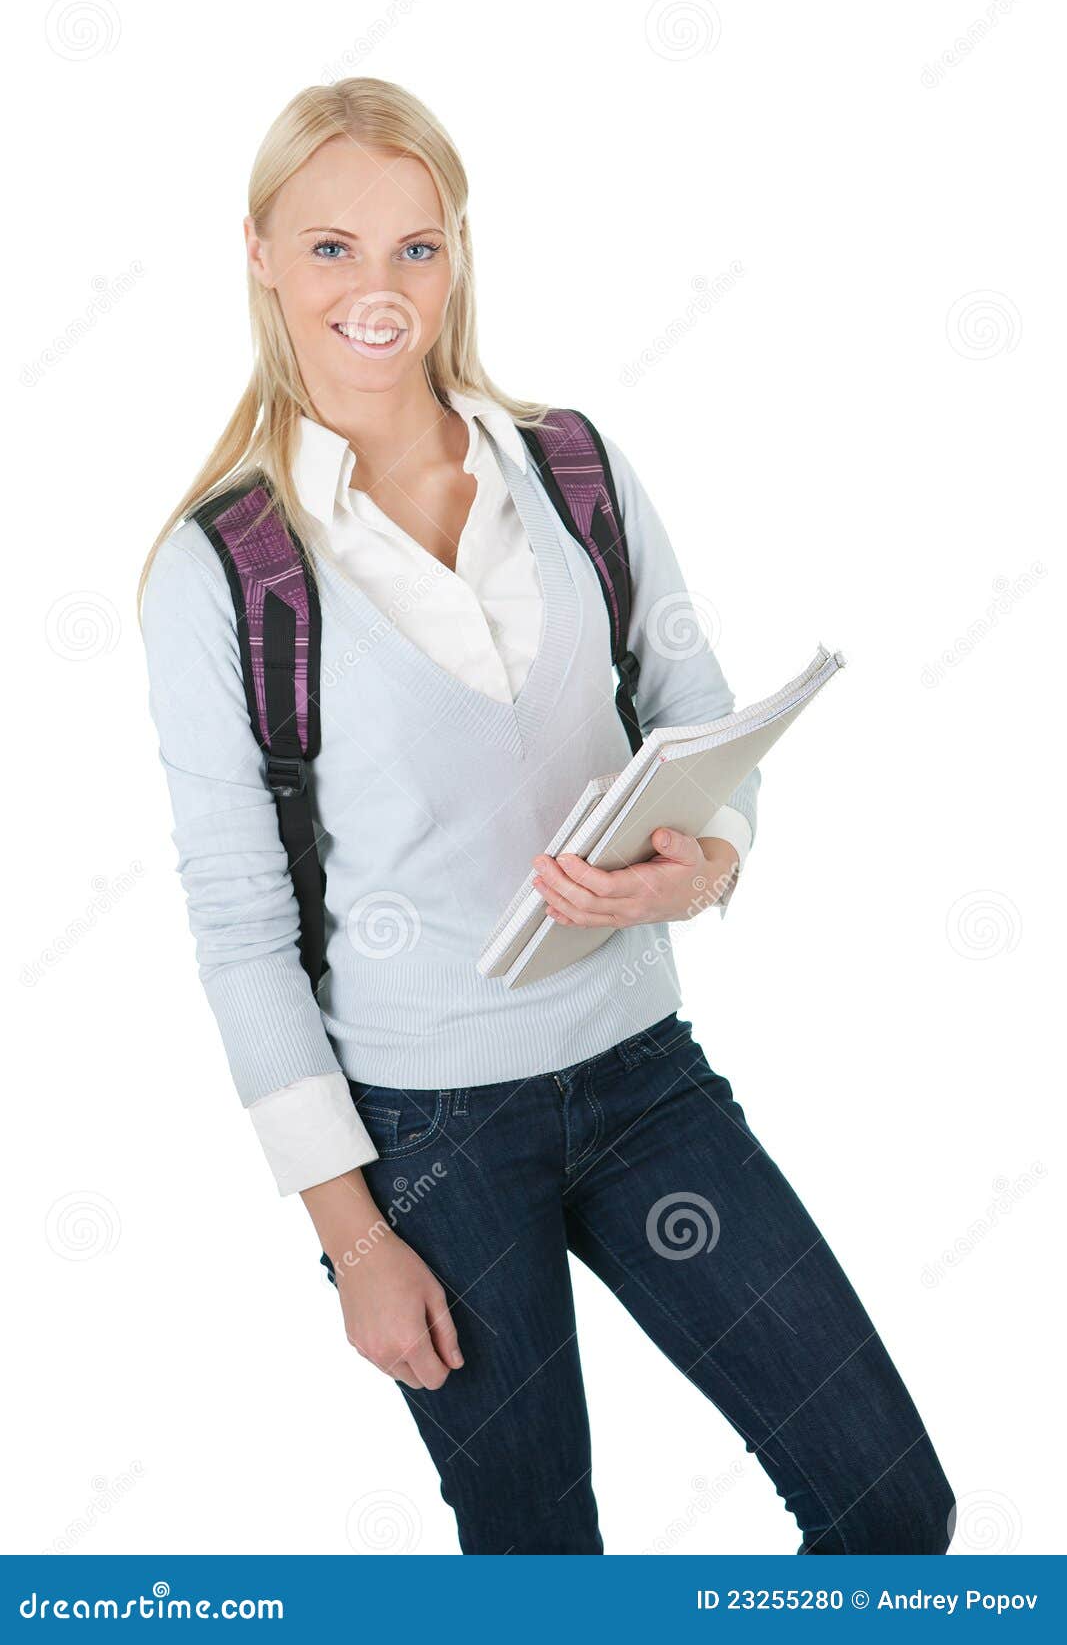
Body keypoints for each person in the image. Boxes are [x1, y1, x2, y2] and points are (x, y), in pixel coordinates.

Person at [138, 76, 955, 1556]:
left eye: (417, 247)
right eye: (330, 247)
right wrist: (357, 1239)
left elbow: (699, 721)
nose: (378, 289)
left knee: (890, 1507)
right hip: (425, 1135)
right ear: (258, 252)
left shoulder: (571, 468)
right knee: (536, 1570)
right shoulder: (223, 572)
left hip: (643, 1079)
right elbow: (240, 932)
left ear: (458, 255)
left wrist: (705, 863)